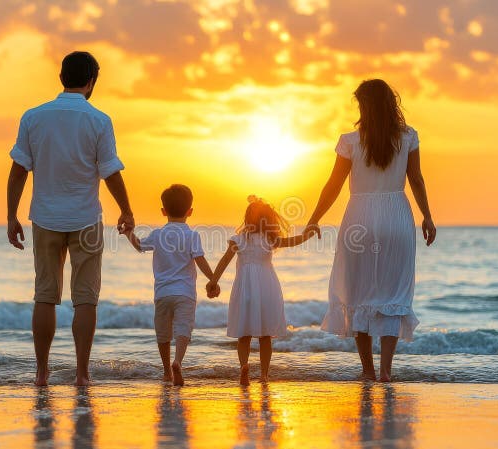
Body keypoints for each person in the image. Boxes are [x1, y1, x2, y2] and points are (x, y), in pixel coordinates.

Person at [6, 51, 135, 386]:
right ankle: (81, 373)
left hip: (45, 218)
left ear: (61, 77)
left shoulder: (33, 117)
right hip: (86, 219)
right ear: (91, 81)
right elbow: (110, 172)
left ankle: (41, 372)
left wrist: (11, 215)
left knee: (44, 295)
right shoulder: (99, 120)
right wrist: (126, 209)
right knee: (85, 299)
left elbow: (19, 170)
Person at [304, 79, 436, 382]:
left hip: (359, 219)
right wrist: (427, 216)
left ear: (364, 106)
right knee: (393, 294)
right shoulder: (408, 137)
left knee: (357, 293)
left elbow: (333, 185)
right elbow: (416, 179)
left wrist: (314, 219)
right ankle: (386, 371)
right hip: (397, 218)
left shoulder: (350, 141)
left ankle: (367, 370)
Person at [207, 196, 315, 385]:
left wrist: (213, 281)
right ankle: (264, 375)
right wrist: (308, 234)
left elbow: (224, 260)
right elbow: (293, 241)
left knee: (244, 334)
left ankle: (244, 367)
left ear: (247, 219)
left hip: (244, 287)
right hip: (267, 287)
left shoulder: (238, 239)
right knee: (266, 336)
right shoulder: (270, 239)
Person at [124, 184, 217, 386]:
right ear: (190, 211)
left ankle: (166, 371)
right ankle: (178, 362)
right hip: (185, 294)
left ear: (163, 211)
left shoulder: (158, 234)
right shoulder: (192, 235)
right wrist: (213, 279)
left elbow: (140, 246)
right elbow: (200, 259)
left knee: (163, 333)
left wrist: (129, 233)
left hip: (163, 293)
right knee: (184, 329)